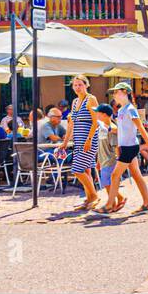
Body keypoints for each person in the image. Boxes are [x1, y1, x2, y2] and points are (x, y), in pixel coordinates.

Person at [99, 82, 148, 215]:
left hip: (130, 147)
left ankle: (109, 205)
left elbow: (140, 128)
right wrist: (119, 146)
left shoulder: (130, 109)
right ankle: (147, 204)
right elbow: (122, 131)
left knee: (115, 175)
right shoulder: (121, 110)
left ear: (124, 92)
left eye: (116, 92)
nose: (114, 95)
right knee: (136, 175)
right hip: (126, 147)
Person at [58, 75, 102, 211]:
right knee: (86, 170)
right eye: (75, 85)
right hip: (78, 140)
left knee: (77, 170)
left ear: (86, 85)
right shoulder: (75, 101)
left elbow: (96, 122)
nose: (77, 87)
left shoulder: (91, 99)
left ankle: (94, 196)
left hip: (88, 140)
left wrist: (89, 140)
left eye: (80, 85)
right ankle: (89, 199)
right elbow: (71, 123)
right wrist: (65, 142)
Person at [94, 104, 118, 197]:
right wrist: (98, 162)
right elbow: (100, 147)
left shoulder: (111, 128)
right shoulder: (100, 128)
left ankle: (113, 202)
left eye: (97, 113)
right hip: (103, 160)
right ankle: (117, 200)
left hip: (110, 160)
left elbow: (116, 146)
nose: (96, 115)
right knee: (106, 183)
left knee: (107, 183)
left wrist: (118, 161)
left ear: (104, 115)